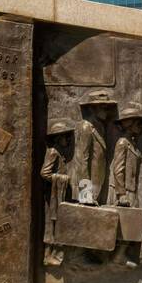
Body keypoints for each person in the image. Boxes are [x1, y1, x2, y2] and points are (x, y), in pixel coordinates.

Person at [71, 90, 116, 205]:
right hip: (88, 187)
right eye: (103, 108)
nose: (107, 111)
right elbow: (82, 160)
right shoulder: (86, 127)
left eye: (107, 108)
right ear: (92, 109)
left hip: (97, 181)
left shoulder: (99, 126)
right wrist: (85, 194)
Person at [40, 121, 74, 267]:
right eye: (65, 137)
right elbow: (44, 173)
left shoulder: (59, 153)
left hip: (58, 195)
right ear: (58, 138)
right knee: (51, 224)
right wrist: (61, 179)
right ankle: (47, 256)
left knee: (57, 224)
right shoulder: (53, 152)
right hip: (53, 196)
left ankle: (55, 254)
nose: (67, 139)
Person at [111, 103, 142, 206]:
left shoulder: (132, 144)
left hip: (132, 190)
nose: (141, 126)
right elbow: (118, 170)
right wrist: (121, 194)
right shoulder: (122, 143)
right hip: (125, 193)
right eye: (138, 124)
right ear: (129, 125)